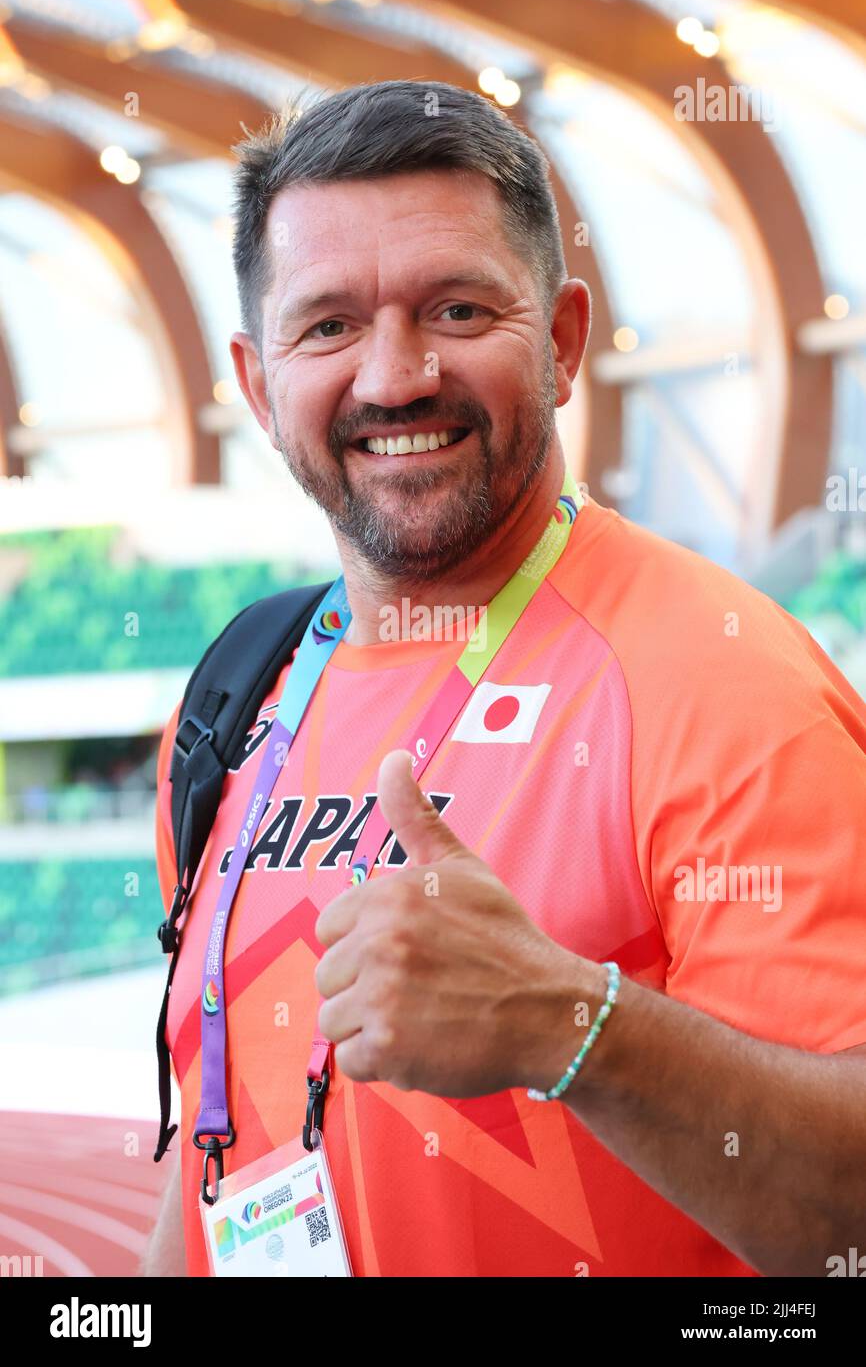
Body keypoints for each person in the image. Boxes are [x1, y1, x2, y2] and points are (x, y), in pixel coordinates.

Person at [143, 81, 866, 1279]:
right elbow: (216, 1158)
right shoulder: (234, 699)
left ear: (565, 340)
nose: (393, 377)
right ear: (259, 385)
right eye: (325, 326)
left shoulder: (718, 686)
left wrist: (571, 1027)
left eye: (457, 307)